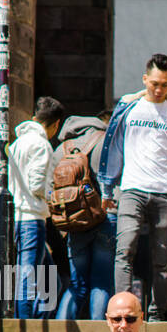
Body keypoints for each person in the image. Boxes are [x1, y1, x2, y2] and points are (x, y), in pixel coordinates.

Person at [99, 53, 167, 322]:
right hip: (131, 189)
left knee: (161, 258)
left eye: (165, 84)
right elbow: (111, 147)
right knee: (125, 249)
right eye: (154, 84)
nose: (159, 90)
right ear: (145, 79)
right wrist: (106, 188)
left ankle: (156, 314)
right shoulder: (128, 107)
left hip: (164, 190)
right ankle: (122, 311)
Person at [53, 111, 114, 320]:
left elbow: (48, 192)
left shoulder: (60, 149)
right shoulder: (105, 141)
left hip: (74, 224)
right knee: (101, 281)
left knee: (77, 284)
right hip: (104, 219)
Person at [9, 95, 65, 318]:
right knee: (29, 276)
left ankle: (38, 322)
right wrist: (53, 197)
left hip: (18, 215)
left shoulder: (17, 143)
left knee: (49, 279)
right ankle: (23, 325)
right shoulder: (42, 144)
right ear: (55, 125)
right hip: (32, 218)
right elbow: (37, 184)